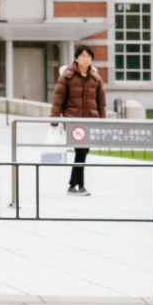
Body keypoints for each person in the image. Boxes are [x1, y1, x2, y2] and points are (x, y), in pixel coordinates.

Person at [51, 45, 105, 196]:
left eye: (88, 56)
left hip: (90, 122)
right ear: (76, 58)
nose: (85, 59)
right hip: (73, 122)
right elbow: (58, 100)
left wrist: (102, 122)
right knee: (80, 151)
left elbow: (101, 103)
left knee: (83, 151)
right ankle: (80, 185)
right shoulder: (67, 77)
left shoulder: (96, 79)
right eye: (82, 56)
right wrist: (54, 121)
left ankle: (71, 184)